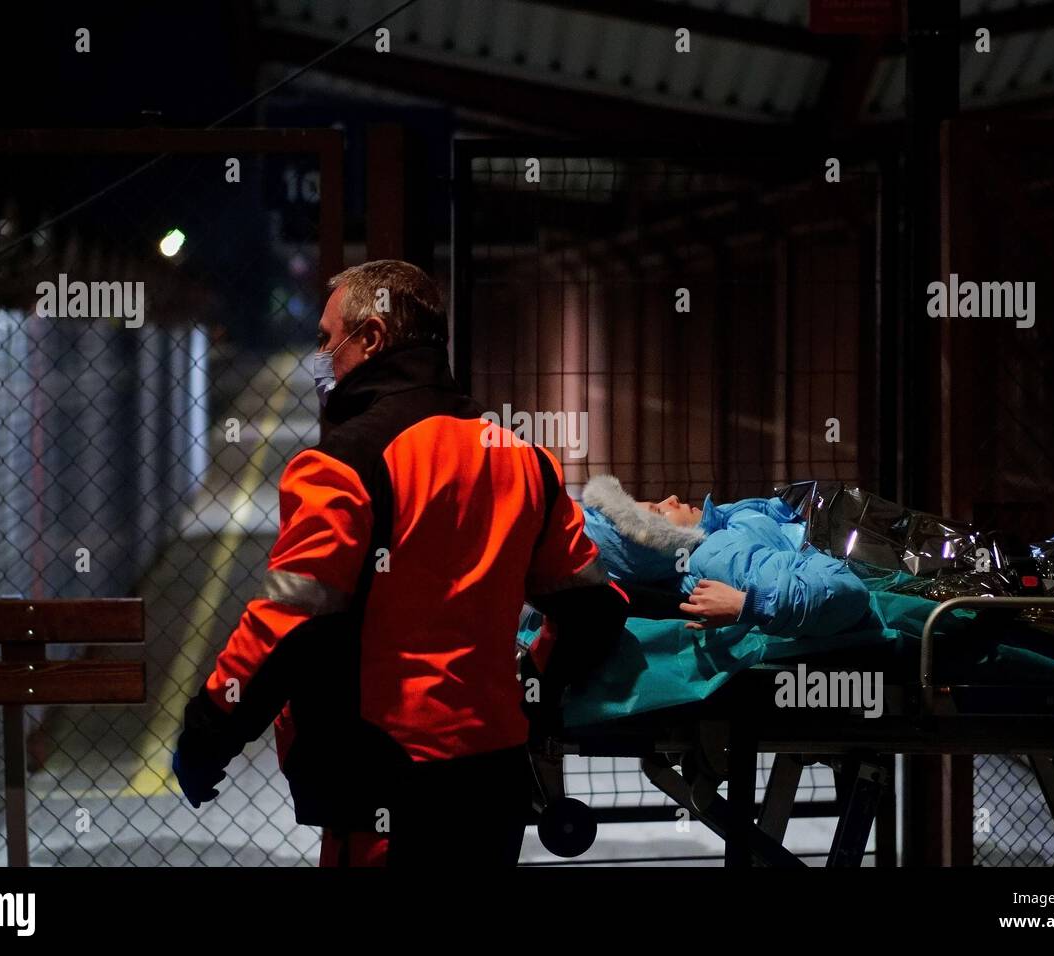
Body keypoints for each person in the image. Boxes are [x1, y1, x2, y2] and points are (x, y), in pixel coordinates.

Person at [172, 260, 628, 867]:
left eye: (325, 339)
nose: (320, 355)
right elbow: (592, 609)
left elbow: (289, 626)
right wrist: (533, 685)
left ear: (371, 339)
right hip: (494, 778)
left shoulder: (341, 466)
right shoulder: (523, 459)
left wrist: (208, 733)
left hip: (383, 783)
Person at [580, 474, 870, 636]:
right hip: (885, 574)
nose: (672, 498)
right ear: (652, 547)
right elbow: (849, 593)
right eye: (659, 512)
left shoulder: (719, 533)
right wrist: (751, 604)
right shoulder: (718, 555)